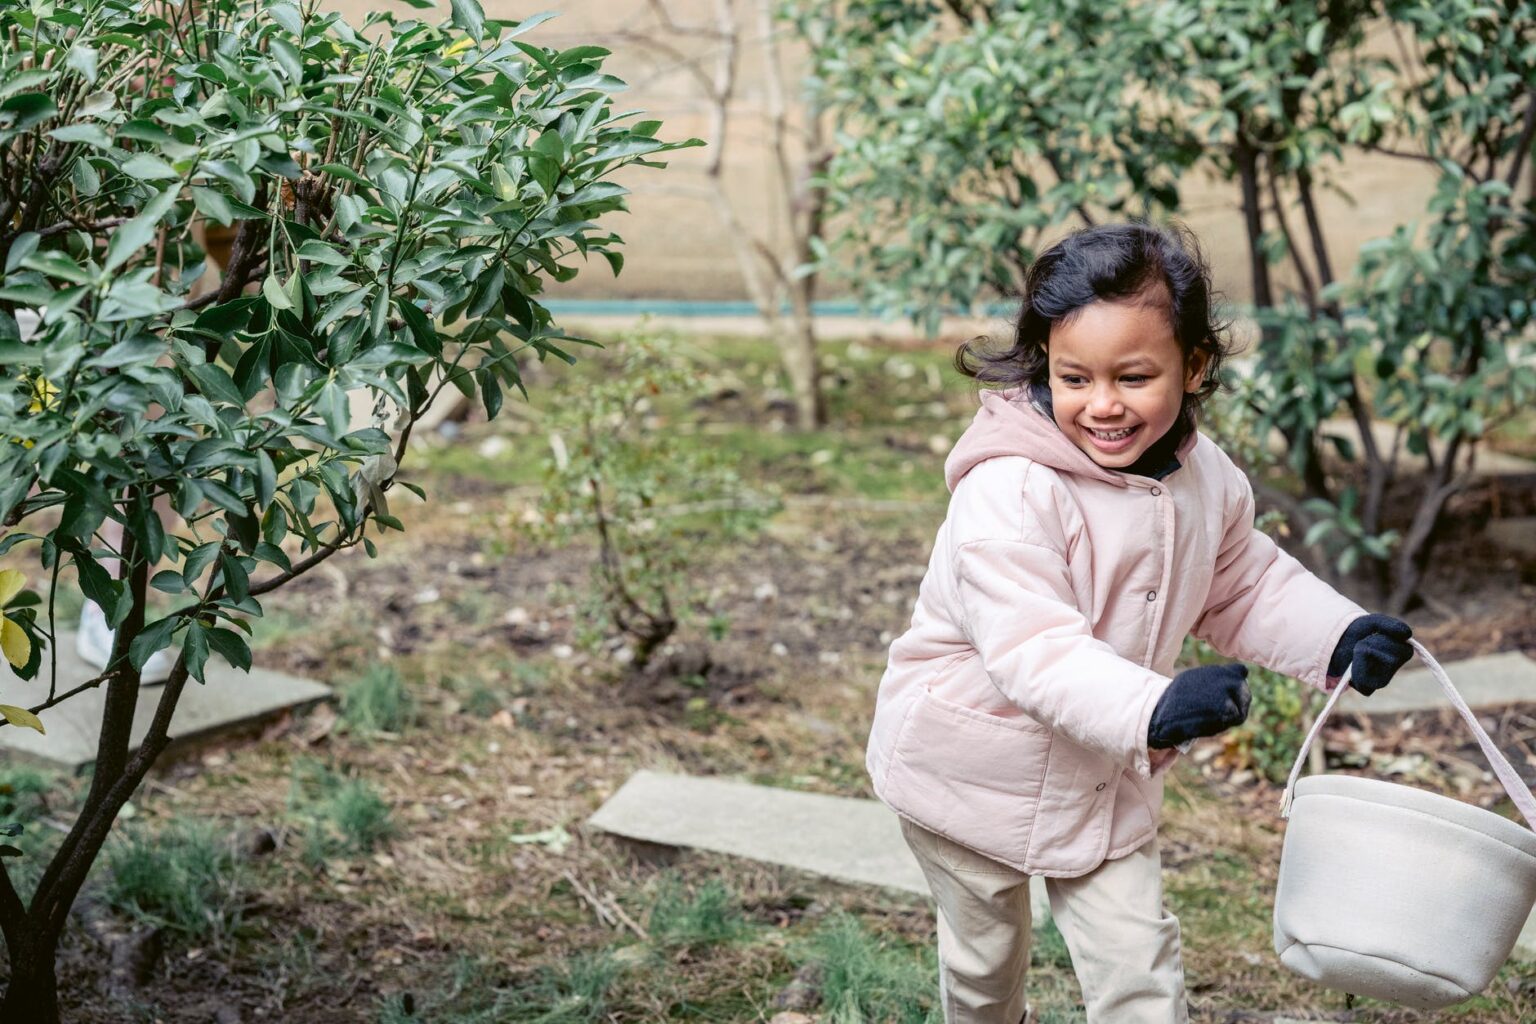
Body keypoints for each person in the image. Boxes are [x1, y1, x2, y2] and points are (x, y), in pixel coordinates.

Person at [865, 221, 1414, 1024]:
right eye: (1074, 377)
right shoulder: (1011, 490)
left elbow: (1244, 583)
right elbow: (1033, 650)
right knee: (985, 968)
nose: (1103, 404)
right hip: (968, 774)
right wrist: (1152, 709)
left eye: (1133, 376)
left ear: (1192, 367)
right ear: (1042, 365)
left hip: (1100, 782)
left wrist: (1336, 634)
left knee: (1140, 972)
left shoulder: (1206, 478)